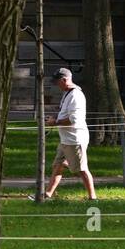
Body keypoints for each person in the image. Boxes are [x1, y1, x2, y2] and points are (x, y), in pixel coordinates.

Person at [40, 68, 97, 201]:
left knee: (82, 169)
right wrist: (55, 118)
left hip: (74, 139)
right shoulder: (67, 93)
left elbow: (73, 120)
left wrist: (55, 122)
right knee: (58, 165)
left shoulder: (75, 96)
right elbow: (65, 114)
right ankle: (47, 195)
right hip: (65, 139)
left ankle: (93, 198)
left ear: (64, 80)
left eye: (57, 82)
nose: (56, 85)